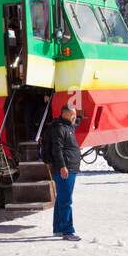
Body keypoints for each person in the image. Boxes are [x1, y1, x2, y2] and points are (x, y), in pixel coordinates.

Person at [46, 103, 82, 241]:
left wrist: (80, 116)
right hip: (65, 169)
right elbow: (57, 149)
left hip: (69, 167)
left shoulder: (68, 126)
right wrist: (62, 166)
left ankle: (58, 228)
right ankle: (68, 231)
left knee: (61, 198)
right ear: (65, 114)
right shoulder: (60, 128)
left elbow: (77, 121)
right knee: (66, 200)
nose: (75, 117)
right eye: (73, 114)